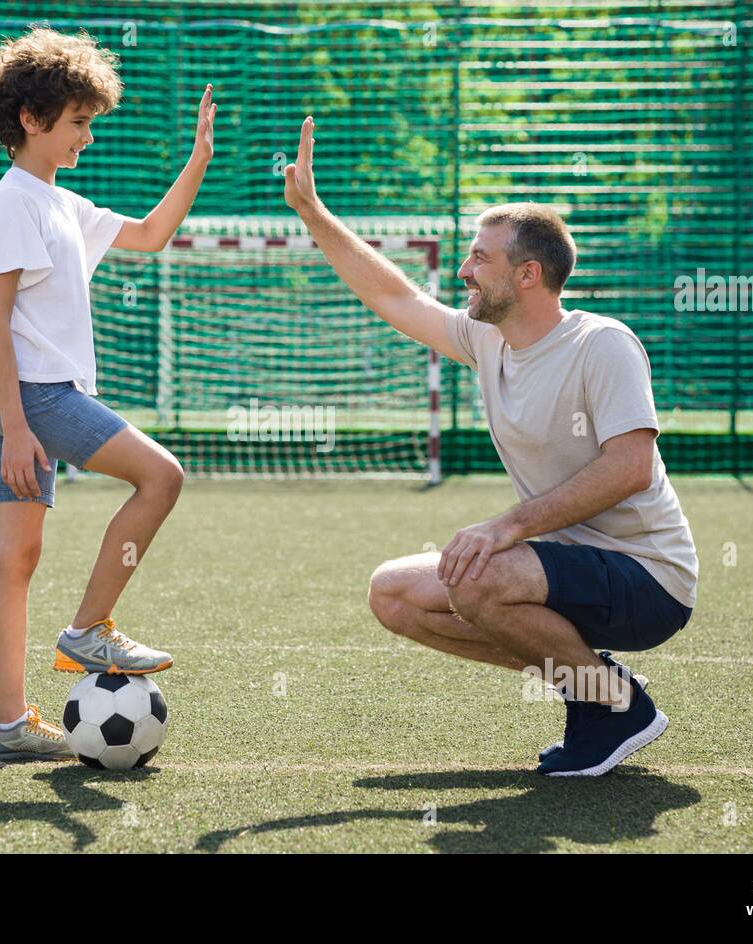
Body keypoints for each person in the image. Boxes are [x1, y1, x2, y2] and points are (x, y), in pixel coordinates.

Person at [282, 117, 698, 776]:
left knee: (475, 573)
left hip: (648, 580)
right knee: (393, 593)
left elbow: (630, 467)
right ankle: (601, 691)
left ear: (528, 273)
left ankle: (609, 705)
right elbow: (394, 294)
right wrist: (313, 211)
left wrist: (506, 527)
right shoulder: (488, 339)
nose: (465, 270)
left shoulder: (602, 344)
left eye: (481, 258)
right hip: (565, 566)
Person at [0, 28, 215, 761]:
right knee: (161, 475)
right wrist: (17, 425)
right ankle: (88, 630)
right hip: (33, 396)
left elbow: (151, 233)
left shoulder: (62, 204)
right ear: (30, 119)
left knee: (15, 559)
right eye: (78, 122)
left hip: (30, 396)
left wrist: (198, 159)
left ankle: (8, 726)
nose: (87, 136)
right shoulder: (12, 201)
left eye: (90, 122)